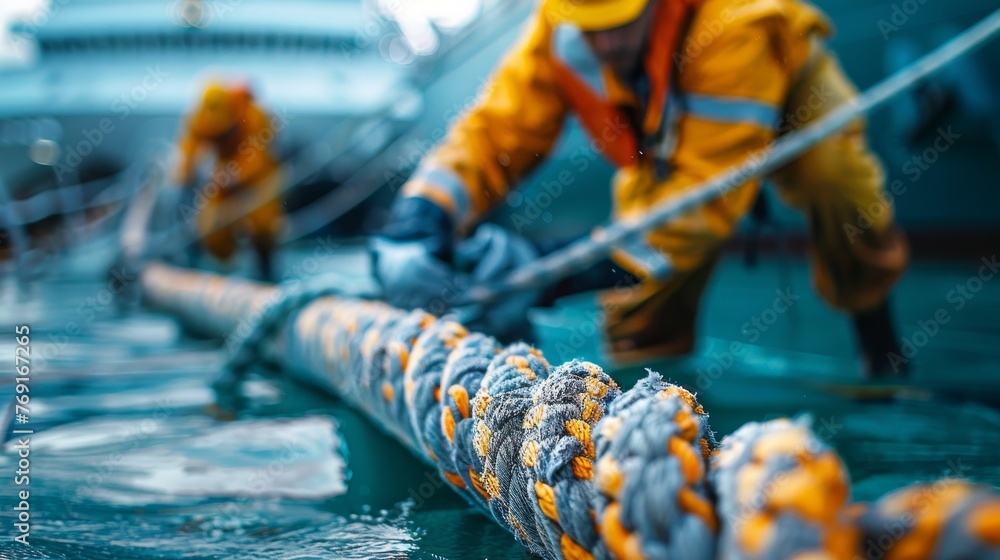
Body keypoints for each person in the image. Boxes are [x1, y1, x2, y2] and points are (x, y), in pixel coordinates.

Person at [372, 0, 910, 377]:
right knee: (642, 297)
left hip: (792, 92)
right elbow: (494, 132)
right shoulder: (559, 25)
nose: (604, 41)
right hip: (674, 136)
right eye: (592, 26)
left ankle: (881, 351)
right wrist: (422, 218)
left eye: (620, 22)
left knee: (838, 185)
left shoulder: (735, 23)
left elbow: (696, 209)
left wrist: (546, 272)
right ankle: (650, 399)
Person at [175, 82, 284, 282]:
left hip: (258, 175)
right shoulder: (199, 118)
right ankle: (196, 266)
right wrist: (185, 175)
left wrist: (234, 176)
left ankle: (266, 271)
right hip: (222, 172)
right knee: (211, 227)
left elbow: (257, 156)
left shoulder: (253, 115)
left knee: (263, 221)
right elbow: (189, 149)